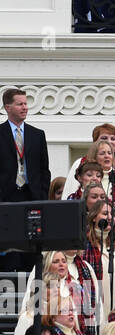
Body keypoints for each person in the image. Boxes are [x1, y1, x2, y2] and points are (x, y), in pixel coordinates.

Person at [1, 88, 52, 271]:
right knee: (9, 250)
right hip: (6, 198)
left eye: (25, 103)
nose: (25, 107)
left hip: (31, 197)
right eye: (19, 104)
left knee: (31, 249)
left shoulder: (37, 135)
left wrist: (42, 197)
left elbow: (44, 170)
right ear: (7, 107)